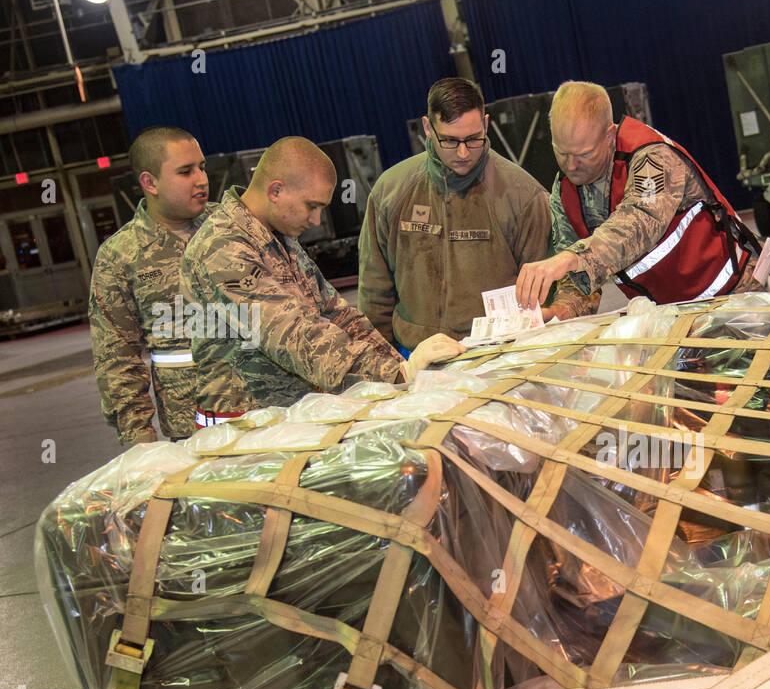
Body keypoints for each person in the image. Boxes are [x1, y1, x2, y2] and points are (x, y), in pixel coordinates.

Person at [184, 137, 459, 418]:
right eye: (311, 206)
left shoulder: (277, 236)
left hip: (286, 418)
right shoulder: (223, 247)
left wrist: (402, 370)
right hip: (242, 432)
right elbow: (296, 337)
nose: (316, 220)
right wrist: (396, 374)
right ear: (276, 190)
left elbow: (337, 314)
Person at [515, 81, 766, 317]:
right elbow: (578, 281)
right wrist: (555, 314)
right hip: (672, 314)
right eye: (561, 151)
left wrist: (572, 257)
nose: (571, 165)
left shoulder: (653, 158)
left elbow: (638, 224)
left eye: (584, 154)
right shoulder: (565, 193)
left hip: (736, 295)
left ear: (610, 137)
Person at [358, 78, 552, 348]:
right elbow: (374, 289)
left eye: (473, 139)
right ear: (428, 127)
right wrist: (383, 362)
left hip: (498, 355)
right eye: (449, 140)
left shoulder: (524, 196)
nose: (463, 153)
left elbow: (545, 296)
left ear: (485, 123)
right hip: (414, 353)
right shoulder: (390, 191)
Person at [89, 127, 213, 444]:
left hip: (271, 408)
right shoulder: (121, 256)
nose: (201, 179)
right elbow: (116, 357)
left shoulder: (232, 227)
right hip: (195, 427)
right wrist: (138, 440)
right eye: (186, 171)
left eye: (202, 167)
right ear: (150, 182)